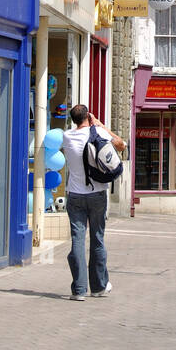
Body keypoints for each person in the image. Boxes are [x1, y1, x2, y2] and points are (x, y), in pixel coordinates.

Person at [60, 105, 126, 300]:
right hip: (97, 194)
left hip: (75, 195)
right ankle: (98, 286)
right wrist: (100, 125)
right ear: (88, 116)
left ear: (73, 120)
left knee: (77, 240)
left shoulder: (67, 136)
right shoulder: (98, 132)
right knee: (97, 239)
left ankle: (79, 290)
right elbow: (121, 145)